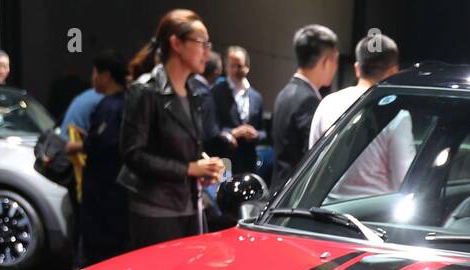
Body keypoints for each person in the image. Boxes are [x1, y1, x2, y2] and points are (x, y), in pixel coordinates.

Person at [120, 9, 228, 249]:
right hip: (155, 209)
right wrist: (189, 168)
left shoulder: (193, 93)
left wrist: (204, 166)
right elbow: (133, 154)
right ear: (176, 44)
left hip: (188, 203)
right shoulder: (145, 90)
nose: (207, 53)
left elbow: (181, 146)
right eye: (201, 43)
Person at [307, 31, 412, 198]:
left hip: (323, 211)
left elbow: (312, 165)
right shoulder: (397, 115)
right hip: (372, 216)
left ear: (357, 69)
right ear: (393, 71)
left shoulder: (327, 103)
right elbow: (404, 179)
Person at [65, 52, 129, 264]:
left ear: (106, 76)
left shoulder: (109, 106)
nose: (92, 79)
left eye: (95, 73)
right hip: (119, 187)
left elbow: (105, 143)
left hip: (103, 188)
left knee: (98, 248)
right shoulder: (127, 101)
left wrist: (80, 145)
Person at [271, 24, 338, 190]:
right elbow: (313, 155)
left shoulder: (285, 92)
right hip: (294, 195)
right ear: (325, 62)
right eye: (335, 60)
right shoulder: (308, 100)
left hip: (279, 188)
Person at [211, 46, 264, 176]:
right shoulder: (216, 92)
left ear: (247, 67)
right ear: (226, 67)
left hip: (248, 162)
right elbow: (210, 128)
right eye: (232, 66)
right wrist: (233, 132)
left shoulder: (256, 97)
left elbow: (264, 132)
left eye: (239, 66)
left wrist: (256, 134)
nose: (235, 70)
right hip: (224, 160)